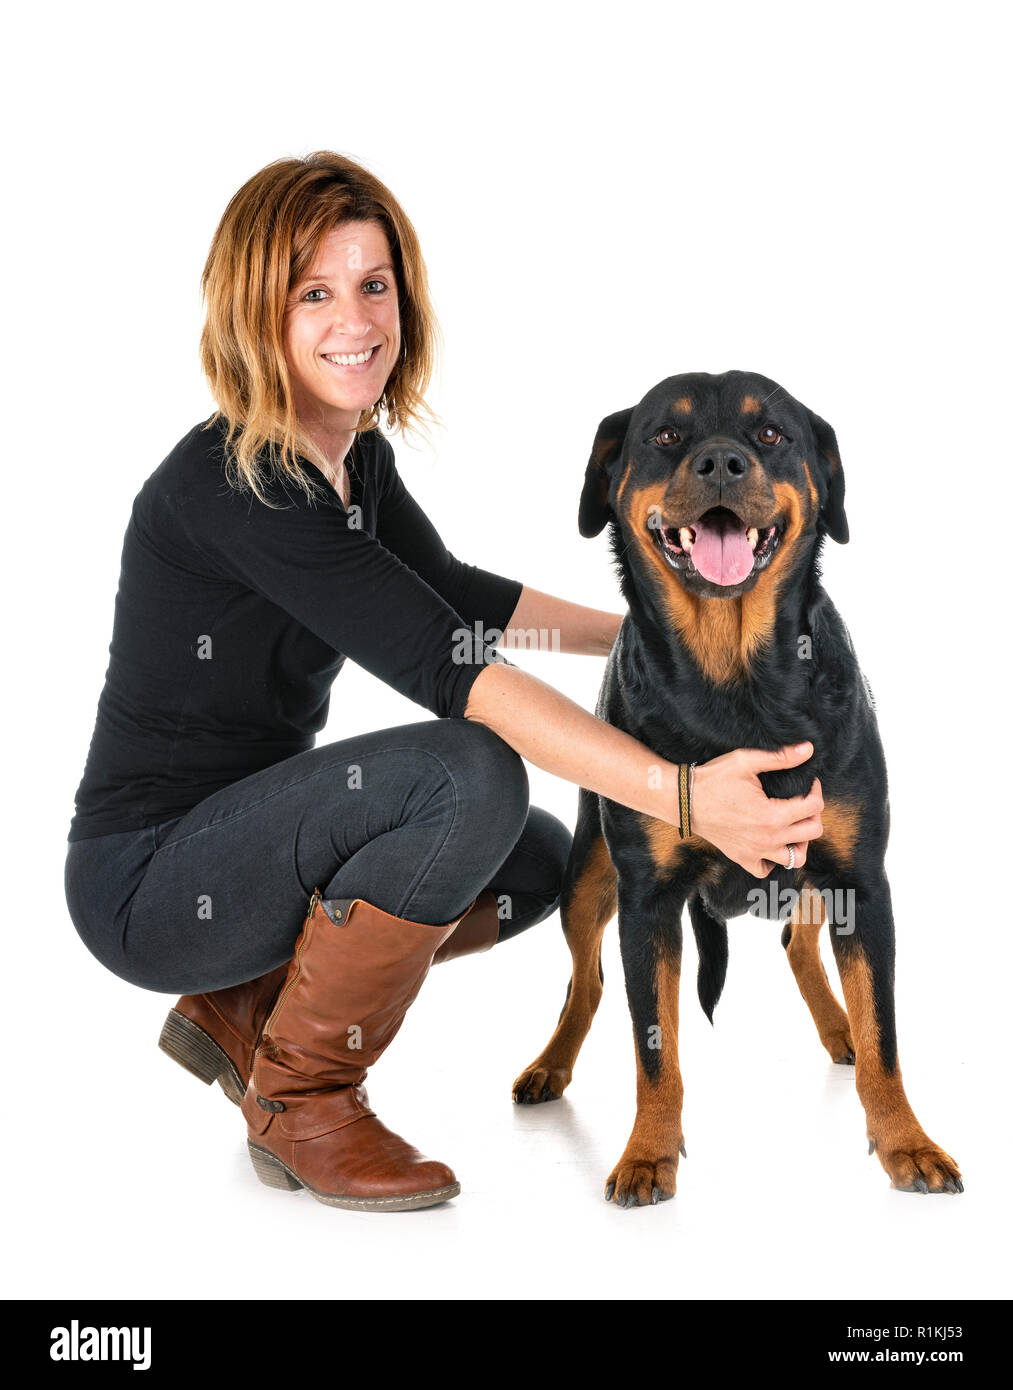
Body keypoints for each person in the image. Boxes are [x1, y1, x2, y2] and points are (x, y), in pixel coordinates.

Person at [63, 151, 824, 1214]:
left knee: (536, 863)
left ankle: (248, 1009)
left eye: (374, 285)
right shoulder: (239, 484)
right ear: (254, 312)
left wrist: (656, 633)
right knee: (468, 773)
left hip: (243, 846)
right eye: (313, 293)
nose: (354, 321)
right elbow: (453, 667)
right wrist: (686, 796)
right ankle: (302, 1096)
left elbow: (454, 594)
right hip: (146, 883)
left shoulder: (351, 461)